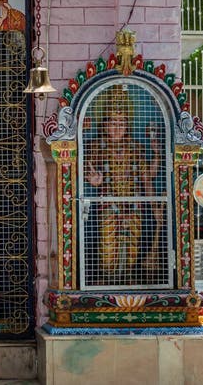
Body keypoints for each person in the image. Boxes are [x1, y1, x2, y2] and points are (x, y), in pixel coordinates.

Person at [84, 84, 160, 285]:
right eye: (112, 122)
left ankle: (127, 280)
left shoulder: (136, 147)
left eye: (121, 122)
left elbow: (147, 177)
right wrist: (93, 180)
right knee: (108, 248)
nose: (117, 127)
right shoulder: (95, 146)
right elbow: (84, 171)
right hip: (108, 205)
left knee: (132, 247)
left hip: (134, 206)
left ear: (127, 124)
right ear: (104, 124)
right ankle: (108, 281)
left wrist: (157, 155)